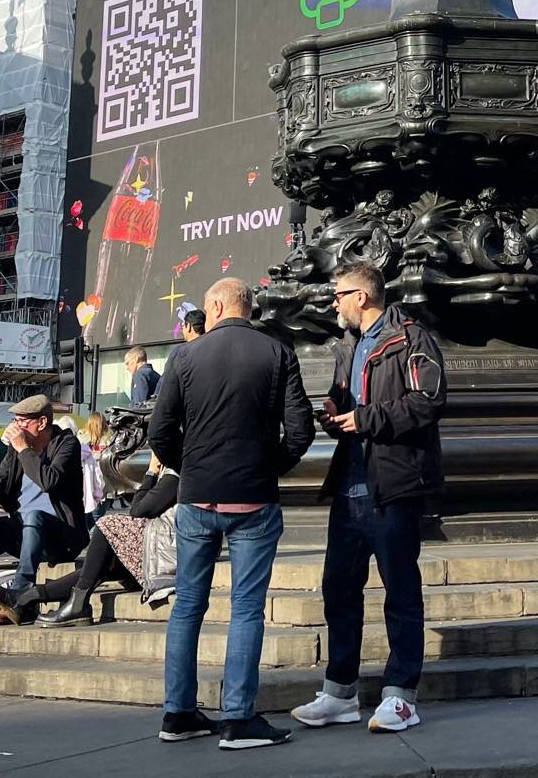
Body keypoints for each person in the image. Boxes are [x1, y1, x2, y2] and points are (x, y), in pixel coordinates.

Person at [150, 277, 313, 749]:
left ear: (216, 306)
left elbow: (159, 432)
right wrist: (268, 469)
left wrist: (192, 469)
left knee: (186, 605)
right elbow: (299, 431)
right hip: (254, 499)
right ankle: (238, 718)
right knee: (245, 609)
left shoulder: (184, 357)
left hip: (196, 499)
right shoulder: (277, 352)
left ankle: (177, 713)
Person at [291, 262, 446, 735]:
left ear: (362, 296)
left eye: (338, 294)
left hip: (393, 485)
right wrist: (337, 413)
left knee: (400, 590)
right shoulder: (349, 347)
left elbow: (429, 401)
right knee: (338, 587)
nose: (333, 302)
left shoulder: (411, 339)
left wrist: (367, 419)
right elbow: (353, 403)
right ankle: (339, 692)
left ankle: (401, 696)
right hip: (351, 485)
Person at [0, 467, 179, 627]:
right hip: (159, 551)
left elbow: (138, 510)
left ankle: (41, 601)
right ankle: (26, 599)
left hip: (164, 558)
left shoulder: (175, 474)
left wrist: (151, 473)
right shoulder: (178, 472)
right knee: (97, 566)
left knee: (107, 525)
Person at [0, 394, 87, 597]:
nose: (16, 427)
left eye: (22, 421)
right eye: (15, 421)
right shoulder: (16, 450)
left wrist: (23, 448)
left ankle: (19, 594)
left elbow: (49, 481)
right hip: (20, 533)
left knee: (34, 515)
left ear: (41, 422)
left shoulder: (67, 444)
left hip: (58, 538)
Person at [79, 412, 112, 524]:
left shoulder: (80, 441)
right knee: (97, 520)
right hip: (106, 488)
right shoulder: (111, 441)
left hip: (83, 488)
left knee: (85, 522)